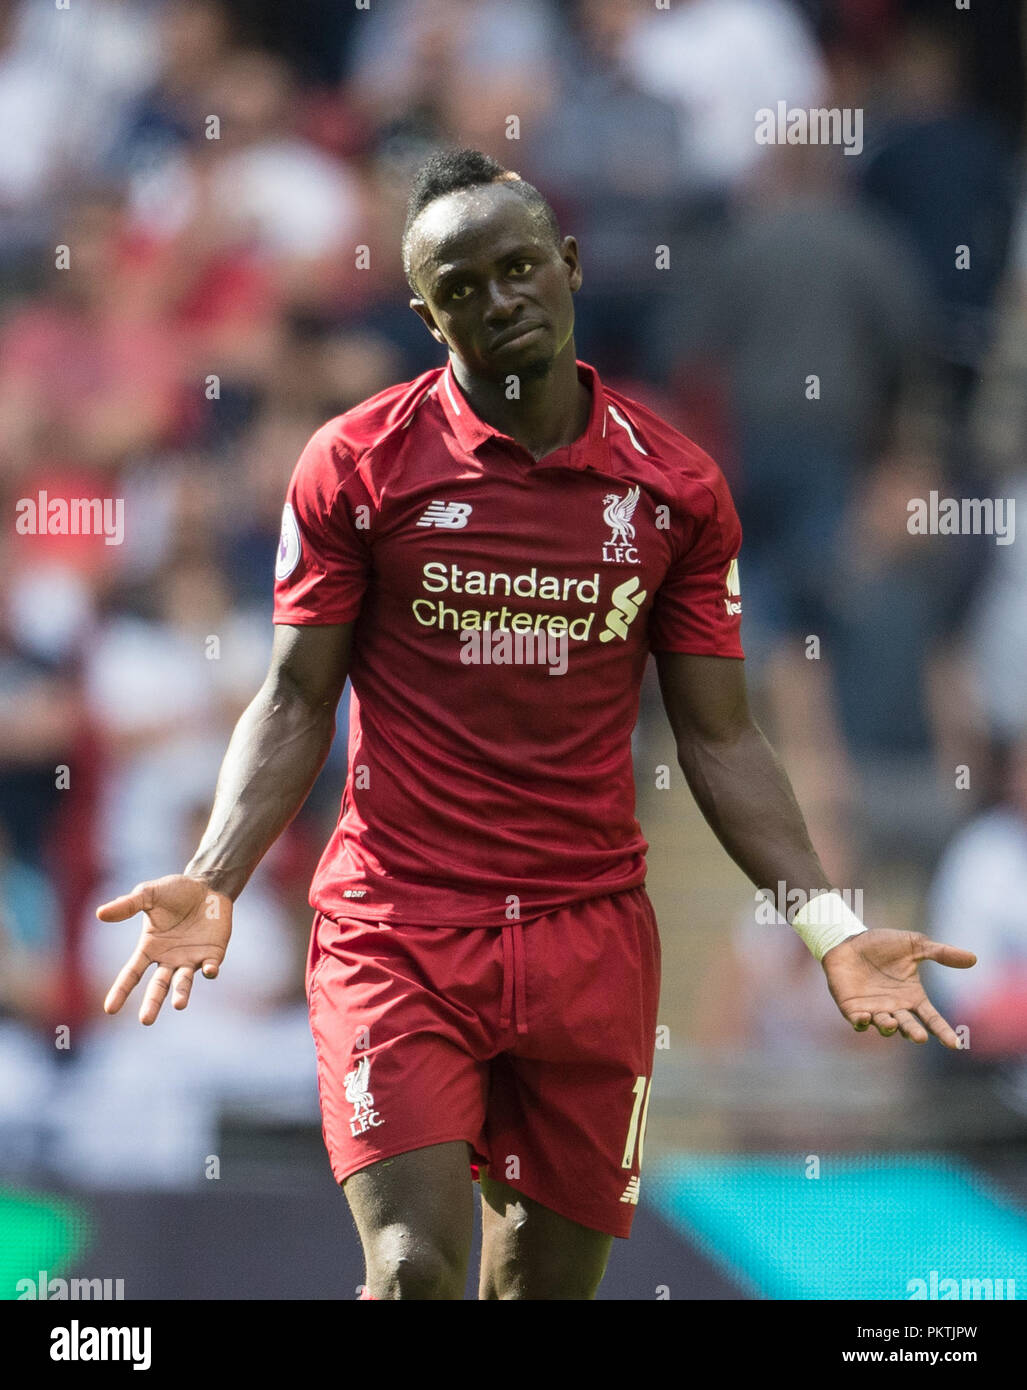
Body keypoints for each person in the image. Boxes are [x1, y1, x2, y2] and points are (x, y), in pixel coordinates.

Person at [97, 149, 977, 1301]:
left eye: (517, 266)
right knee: (412, 1264)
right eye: (459, 287)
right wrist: (215, 873)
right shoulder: (354, 465)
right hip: (399, 923)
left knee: (541, 1293)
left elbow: (718, 733)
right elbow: (298, 692)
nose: (496, 298)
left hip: (587, 940)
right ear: (426, 315)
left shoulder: (675, 487)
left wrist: (822, 922)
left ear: (565, 266)